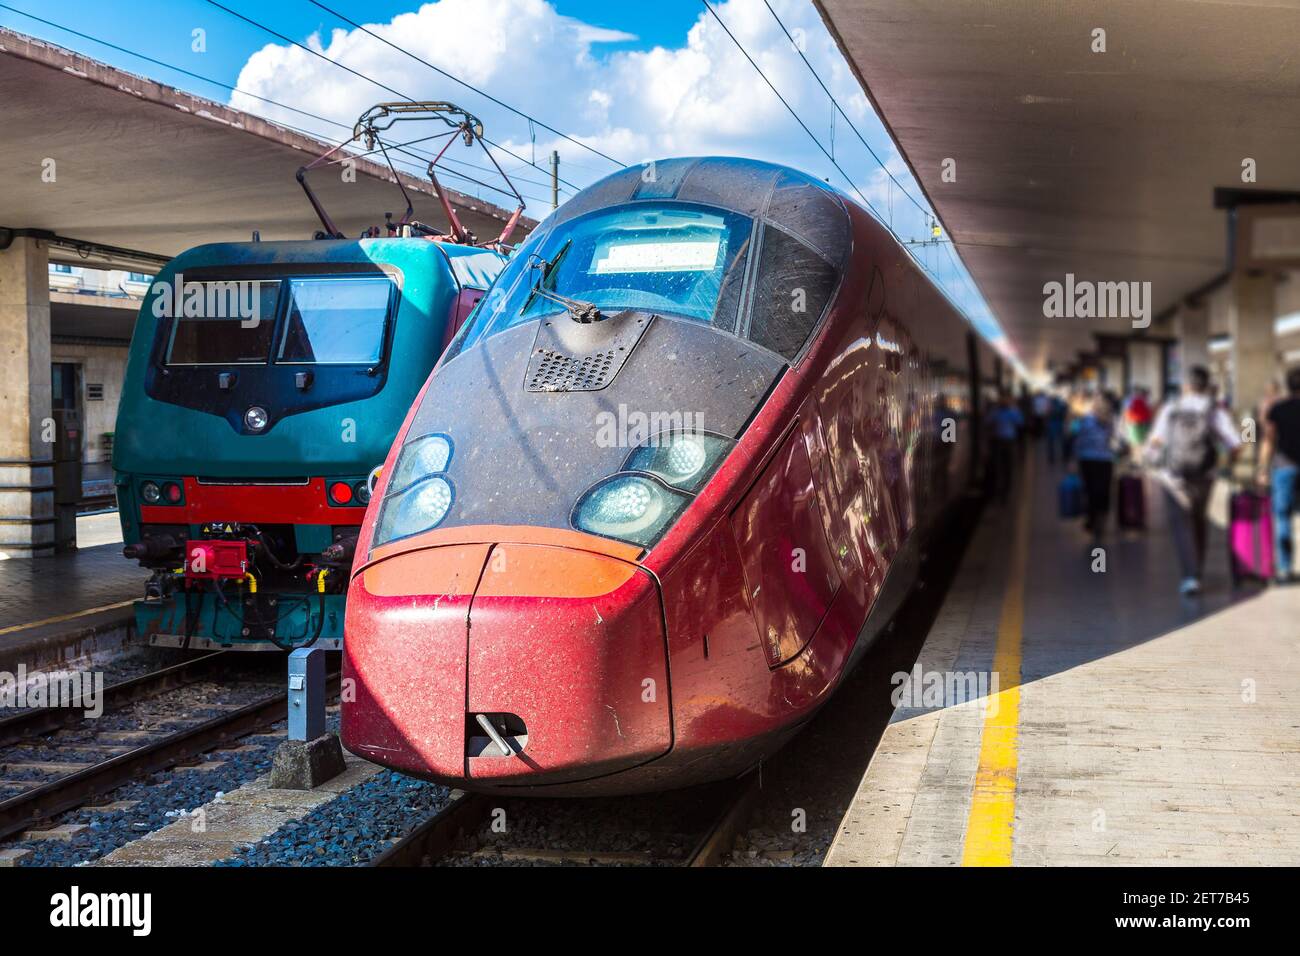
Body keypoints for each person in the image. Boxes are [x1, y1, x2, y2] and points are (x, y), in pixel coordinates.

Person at [1147, 366, 1241, 595]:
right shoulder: (1214, 410)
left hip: (1174, 476)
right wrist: (1228, 466)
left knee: (1181, 524)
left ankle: (1189, 576)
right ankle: (1197, 570)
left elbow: (1156, 442)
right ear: (1207, 385)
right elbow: (1236, 443)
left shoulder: (1170, 407)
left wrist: (1151, 460)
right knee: (1199, 519)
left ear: (1185, 386)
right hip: (1205, 475)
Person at [1257, 366, 1300, 584]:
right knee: (1284, 516)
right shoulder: (1270, 406)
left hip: (1284, 467)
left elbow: (1267, 439)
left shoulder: (1274, 407)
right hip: (1285, 465)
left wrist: (1261, 468)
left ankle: (1285, 567)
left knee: (1283, 517)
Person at [1071, 396, 1118, 538]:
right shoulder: (1111, 420)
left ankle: (1091, 520)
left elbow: (1078, 438)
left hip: (1087, 459)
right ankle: (1101, 519)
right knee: (1104, 490)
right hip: (1106, 460)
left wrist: (1074, 458)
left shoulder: (1086, 420)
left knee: (1090, 490)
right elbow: (1116, 439)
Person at [986, 391, 1023, 504]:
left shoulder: (996, 412)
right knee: (1006, 468)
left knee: (1001, 467)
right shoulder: (1012, 412)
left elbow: (987, 422)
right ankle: (1004, 492)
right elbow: (1020, 423)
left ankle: (1001, 492)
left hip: (1001, 442)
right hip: (1007, 442)